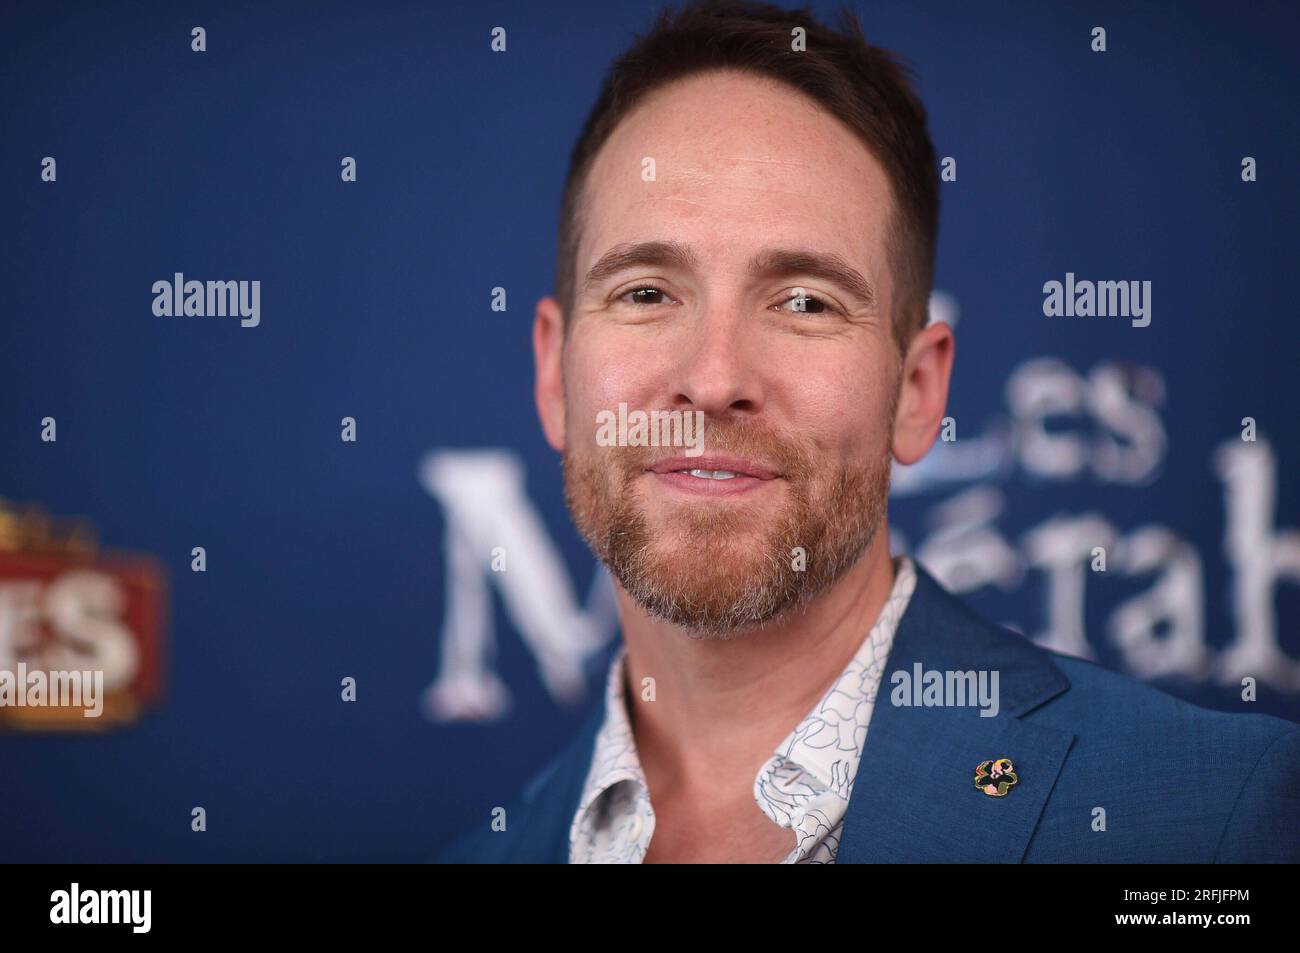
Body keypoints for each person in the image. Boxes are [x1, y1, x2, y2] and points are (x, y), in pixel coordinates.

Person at [437, 0, 1300, 863]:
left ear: (917, 391)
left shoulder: (1211, 817)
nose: (713, 379)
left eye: (805, 301)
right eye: (647, 293)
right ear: (555, 374)